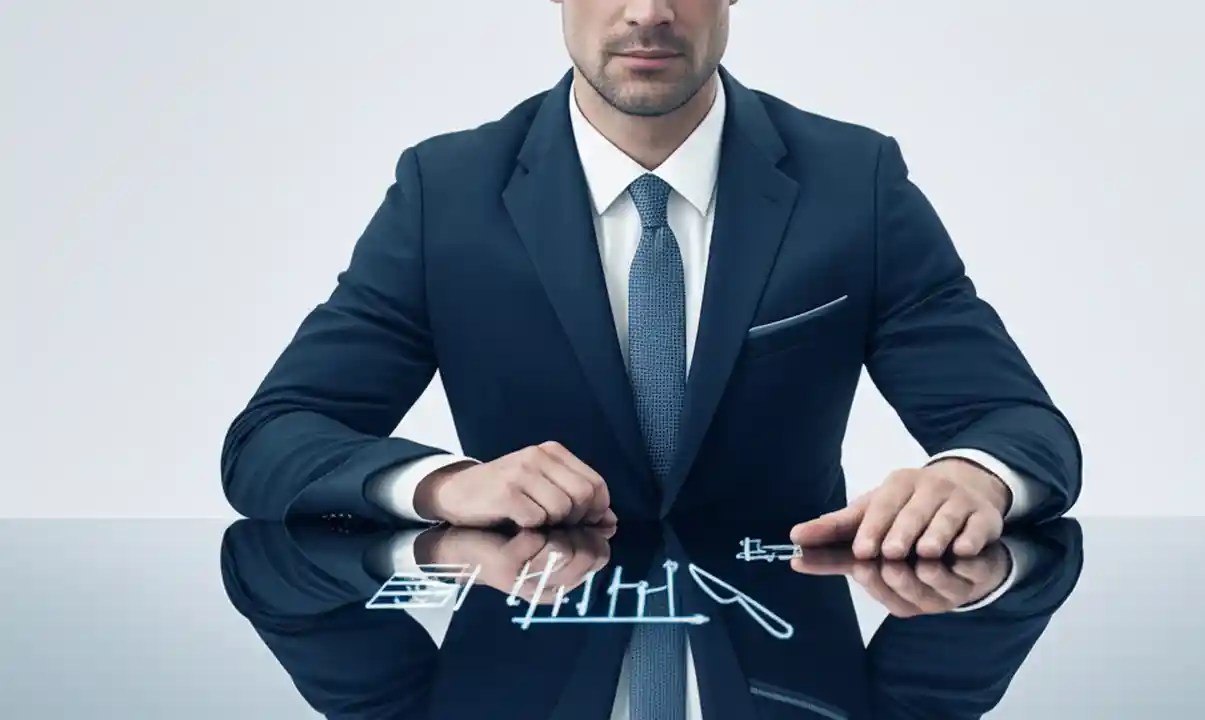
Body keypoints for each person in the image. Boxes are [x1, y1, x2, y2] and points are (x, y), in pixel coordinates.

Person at [221, 0, 1081, 561]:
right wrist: (447, 485)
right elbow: (274, 438)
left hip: (787, 660)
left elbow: (1015, 423)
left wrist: (974, 477)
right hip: (530, 666)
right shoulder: (444, 195)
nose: (649, 13)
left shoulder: (853, 183)